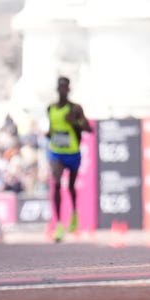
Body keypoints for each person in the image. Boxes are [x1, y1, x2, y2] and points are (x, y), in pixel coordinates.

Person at [46, 76, 90, 242]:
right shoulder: (50, 108)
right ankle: (58, 224)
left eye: (65, 87)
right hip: (56, 151)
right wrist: (49, 134)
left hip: (72, 152)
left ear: (69, 89)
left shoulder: (75, 108)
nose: (63, 90)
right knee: (57, 184)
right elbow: (52, 128)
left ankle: (74, 213)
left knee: (71, 186)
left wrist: (75, 122)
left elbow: (89, 128)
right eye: (61, 87)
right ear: (57, 90)